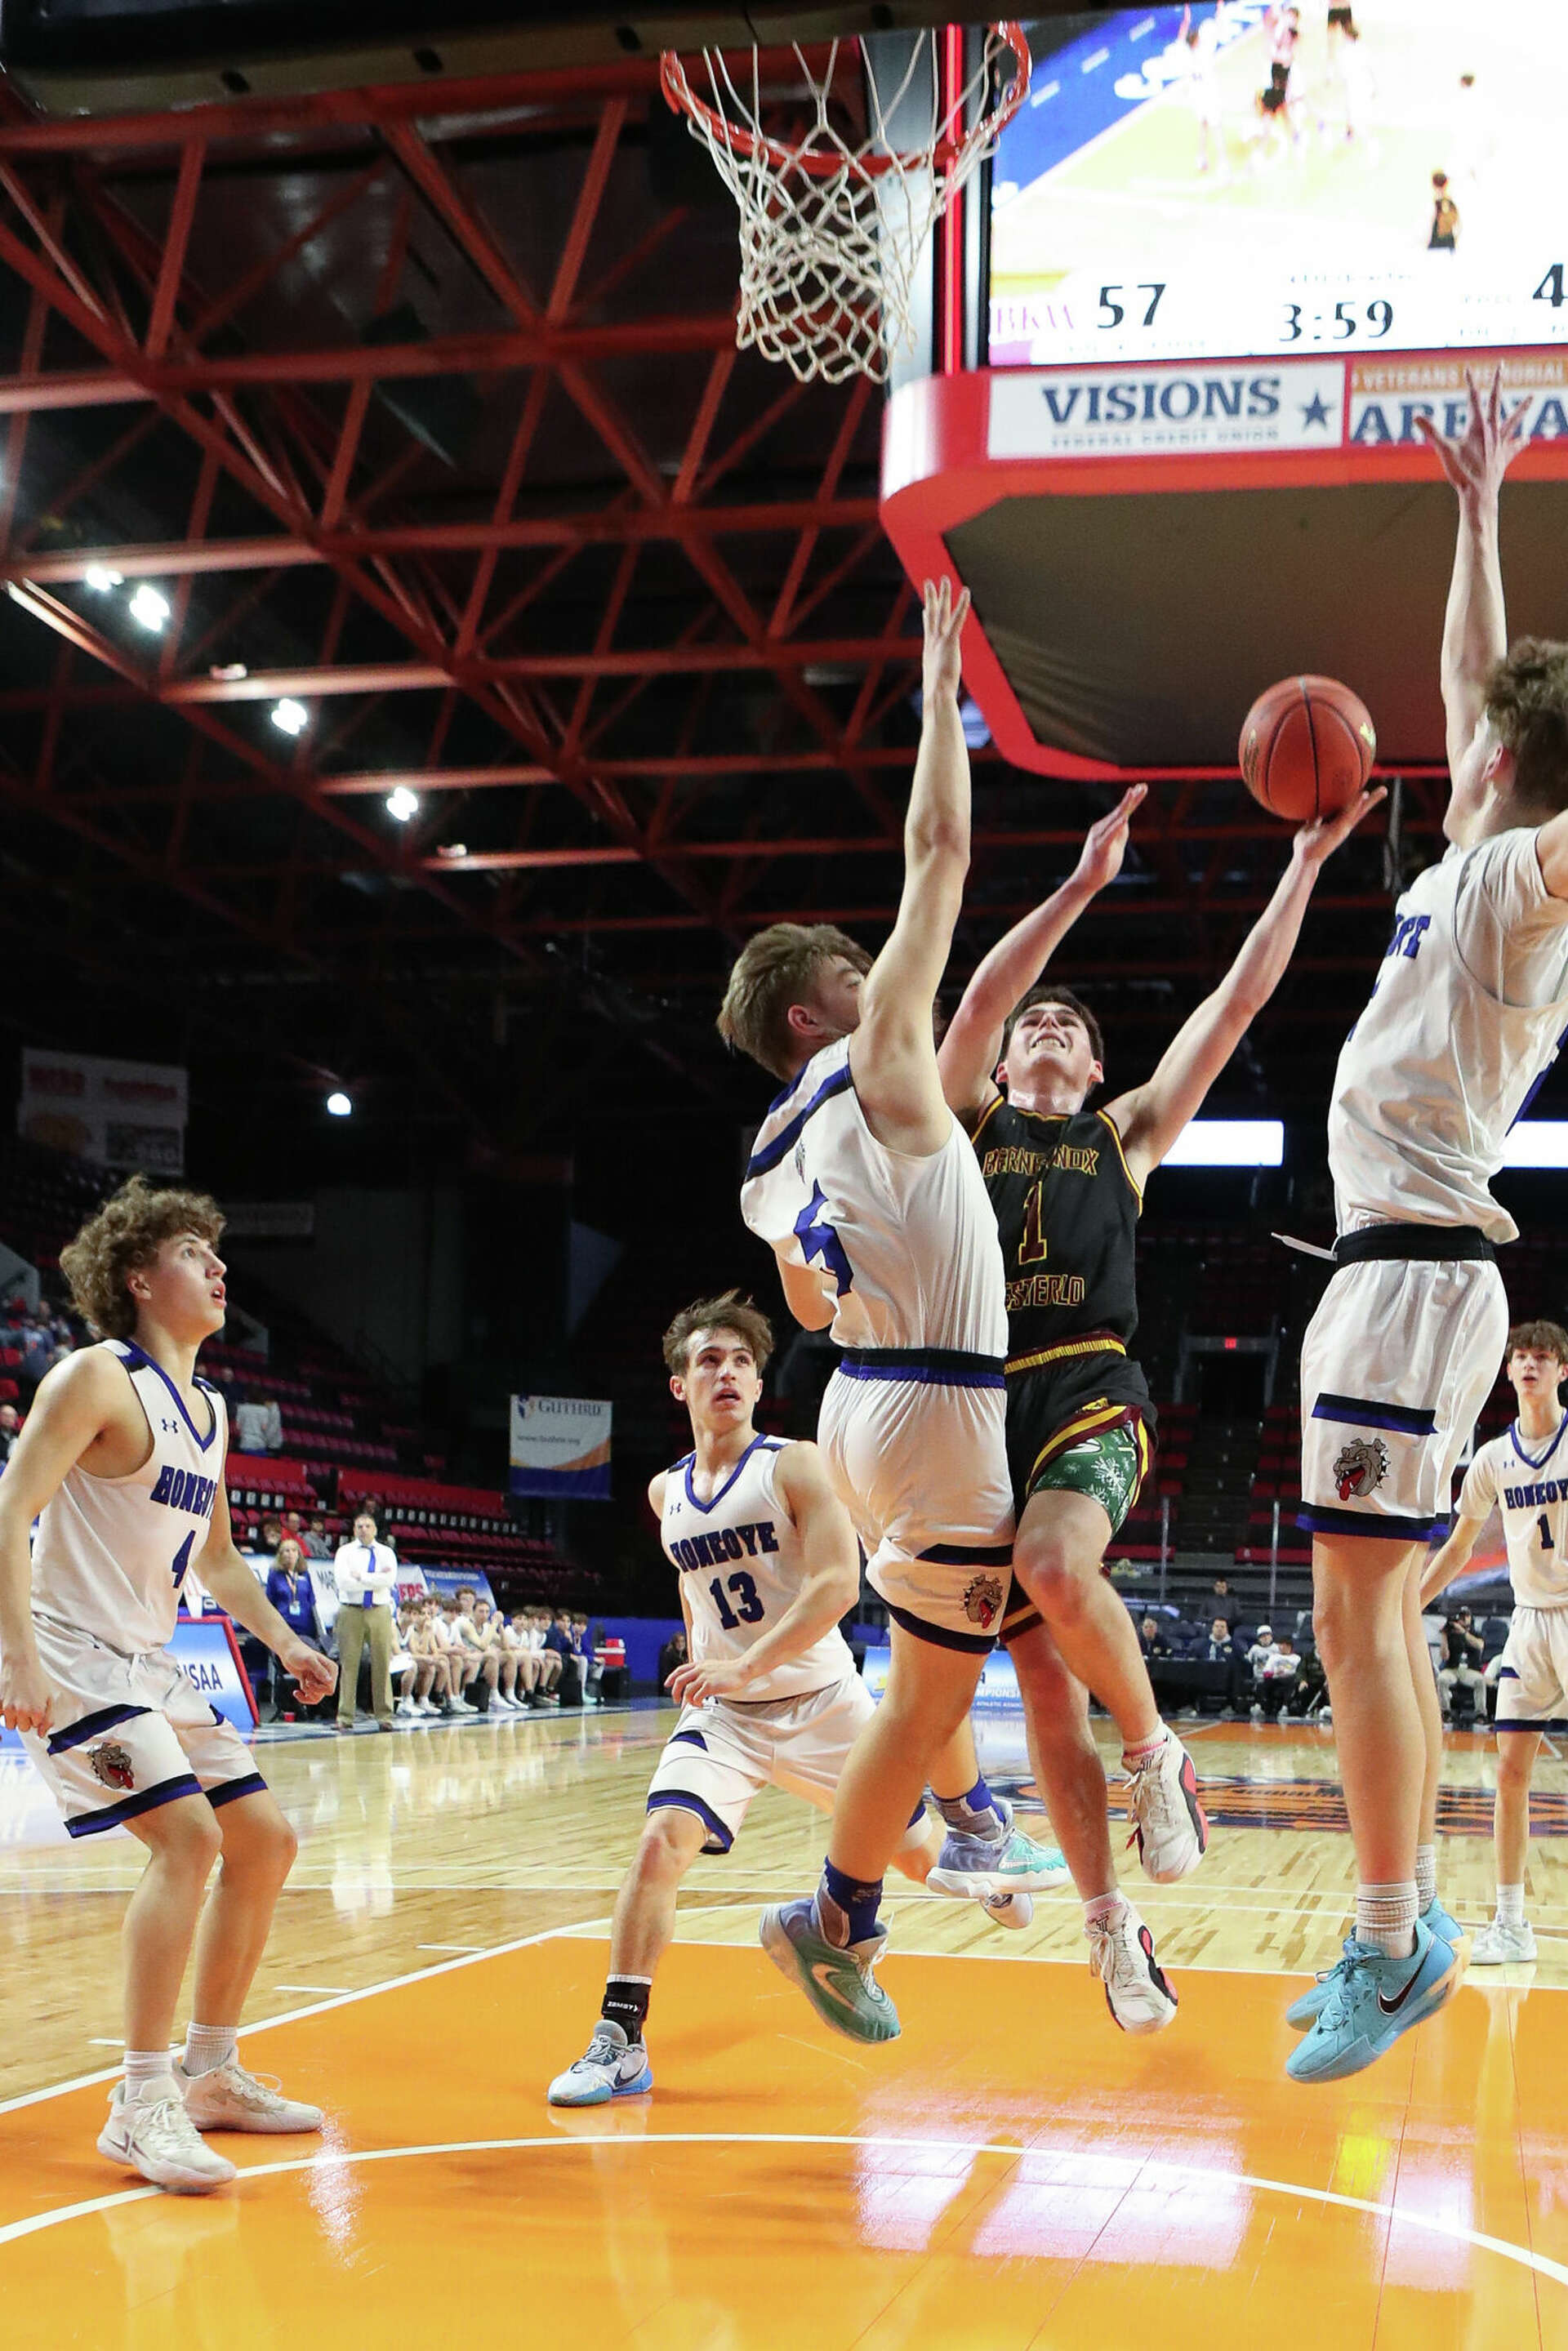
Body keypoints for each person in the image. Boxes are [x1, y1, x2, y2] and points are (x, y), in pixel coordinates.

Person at [936, 777, 1374, 2027]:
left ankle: (1158, 1751)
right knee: (1036, 1695)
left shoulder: (1123, 1136)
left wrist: (1304, 862)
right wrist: (1080, 883)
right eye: (1038, 1023)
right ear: (1013, 1055)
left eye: (1072, 1024)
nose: (1051, 1028)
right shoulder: (967, 1121)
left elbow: (1238, 1000)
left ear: (1098, 1062)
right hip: (980, 1411)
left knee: (1059, 1565)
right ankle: (1109, 1924)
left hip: (1087, 1383)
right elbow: (970, 1003)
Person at [1285, 366, 1568, 2082]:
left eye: (1480, 735)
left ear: (1511, 769)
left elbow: (1515, 747)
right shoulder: (1462, 858)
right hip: (1387, 1273)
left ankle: (1394, 1941)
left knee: (1353, 1623)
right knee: (1362, 1622)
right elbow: (1483, 675)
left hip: (1416, 1277)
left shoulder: (1524, 879)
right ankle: (1397, 1924)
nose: (1448, 731)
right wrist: (1477, 511)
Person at [547, 1297, 1021, 2108]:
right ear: (679, 1385)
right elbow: (698, 1593)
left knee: (921, 1860)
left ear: (759, 1381)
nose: (724, 1370)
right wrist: (711, 1662)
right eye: (707, 1359)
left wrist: (747, 1662)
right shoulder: (666, 1495)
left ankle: (936, 1895)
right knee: (662, 1840)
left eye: (739, 1359)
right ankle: (619, 2039)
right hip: (727, 1716)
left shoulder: (795, 1463)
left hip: (824, 1704)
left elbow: (838, 1582)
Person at [0, 1175, 335, 2193]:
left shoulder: (212, 1411)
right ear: (140, 1277)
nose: (220, 1265)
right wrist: (17, 1658)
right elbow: (9, 1506)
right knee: (189, 1837)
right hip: (70, 1653)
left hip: (151, 1663)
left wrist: (285, 1640)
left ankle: (210, 2071)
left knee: (266, 1840)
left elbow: (222, 1560)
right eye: (195, 1251)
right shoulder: (95, 1377)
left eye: (217, 1251)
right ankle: (139, 2101)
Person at [1422, 1319, 1568, 1964]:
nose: (1529, 1364)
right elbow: (1459, 1546)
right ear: (1508, 1371)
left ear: (1563, 1369)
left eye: (1542, 1356)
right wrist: (1408, 1602)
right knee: (1510, 1771)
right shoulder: (1491, 1458)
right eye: (1521, 1356)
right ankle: (1511, 1923)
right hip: (1530, 1622)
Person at [332, 1508, 399, 1732]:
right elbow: (344, 1583)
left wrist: (361, 1577)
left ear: (375, 1529)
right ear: (354, 1530)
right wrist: (374, 1580)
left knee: (382, 1662)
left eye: (367, 1526)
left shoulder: (386, 1552)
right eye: (359, 1526)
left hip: (379, 1610)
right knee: (349, 1664)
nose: (363, 1530)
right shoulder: (344, 1552)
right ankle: (344, 1716)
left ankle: (385, 1715)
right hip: (351, 1610)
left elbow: (389, 1580)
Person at [264, 1534, 321, 1719]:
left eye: (294, 1550)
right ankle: (292, 1705)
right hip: (285, 1630)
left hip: (306, 1630)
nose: (290, 1554)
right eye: (286, 1551)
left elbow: (312, 1604)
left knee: (314, 1658)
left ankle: (314, 1705)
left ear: (299, 1554)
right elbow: (269, 1603)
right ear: (280, 1555)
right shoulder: (275, 1576)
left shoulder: (305, 1576)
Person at [1437, 1609, 1486, 1719]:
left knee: (1480, 1680)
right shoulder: (1451, 1635)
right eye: (1462, 1617)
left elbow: (1479, 1645)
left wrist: (1463, 1632)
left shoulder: (1475, 1633)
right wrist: (1444, 1635)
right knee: (1442, 1679)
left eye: (1467, 1617)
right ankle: (1446, 1712)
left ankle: (1480, 1714)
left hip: (1469, 1671)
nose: (1464, 1619)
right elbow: (1444, 1656)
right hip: (1452, 1669)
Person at [233, 1387, 282, 1457]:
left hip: (245, 1443)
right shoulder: (264, 1410)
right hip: (260, 1444)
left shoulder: (241, 1408)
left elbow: (238, 1427)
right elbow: (264, 1427)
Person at [1429, 171, 1460, 253]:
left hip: (1438, 242)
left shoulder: (1438, 202)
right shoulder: (1450, 201)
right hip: (1448, 241)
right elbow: (1458, 225)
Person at [657, 1627, 687, 1691]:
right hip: (672, 1685)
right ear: (674, 1643)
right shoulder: (669, 1655)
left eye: (682, 1642)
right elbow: (668, 1673)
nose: (680, 1644)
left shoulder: (686, 1654)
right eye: (678, 1642)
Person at [0, 1401, 20, 1465]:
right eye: (5, 1415)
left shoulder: (19, 1436)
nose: (8, 1418)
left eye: (11, 1416)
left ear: (15, 1419)